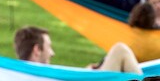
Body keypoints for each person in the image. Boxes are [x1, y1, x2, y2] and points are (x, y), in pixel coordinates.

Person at [14, 26, 142, 73]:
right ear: (37, 49)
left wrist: (86, 73)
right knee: (120, 50)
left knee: (116, 57)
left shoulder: (30, 75)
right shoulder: (37, 76)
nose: (52, 53)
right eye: (49, 46)